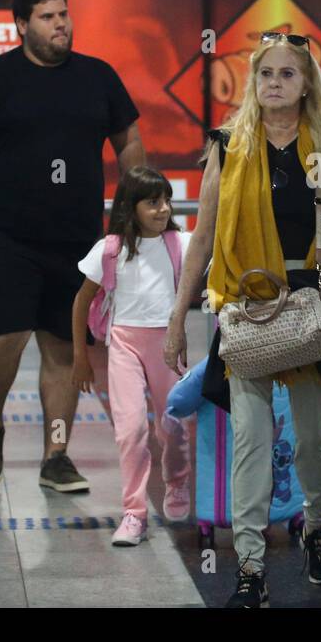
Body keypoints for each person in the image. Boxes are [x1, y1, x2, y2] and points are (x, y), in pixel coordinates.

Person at [163, 32, 321, 608]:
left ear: (307, 82)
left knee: (312, 442)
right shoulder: (228, 146)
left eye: (287, 74)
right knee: (251, 442)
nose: (275, 84)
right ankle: (252, 568)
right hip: (246, 306)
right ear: (253, 83)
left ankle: (314, 530)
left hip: (314, 302)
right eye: (265, 75)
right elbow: (203, 236)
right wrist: (176, 315)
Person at [0, 0, 145, 491]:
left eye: (64, 14)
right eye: (49, 17)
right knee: (1, 339)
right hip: (4, 235)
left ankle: (56, 455)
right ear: (22, 25)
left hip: (76, 239)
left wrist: (133, 214)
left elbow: (131, 143)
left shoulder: (98, 78)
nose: (62, 24)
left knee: (63, 349)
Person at [71, 167, 192, 546]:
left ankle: (176, 484)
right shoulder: (109, 249)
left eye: (166, 201)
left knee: (172, 426)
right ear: (130, 206)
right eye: (152, 202)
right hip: (123, 344)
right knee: (131, 431)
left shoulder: (180, 243)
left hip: (167, 346)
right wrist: (80, 356)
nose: (162, 209)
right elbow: (81, 301)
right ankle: (134, 513)